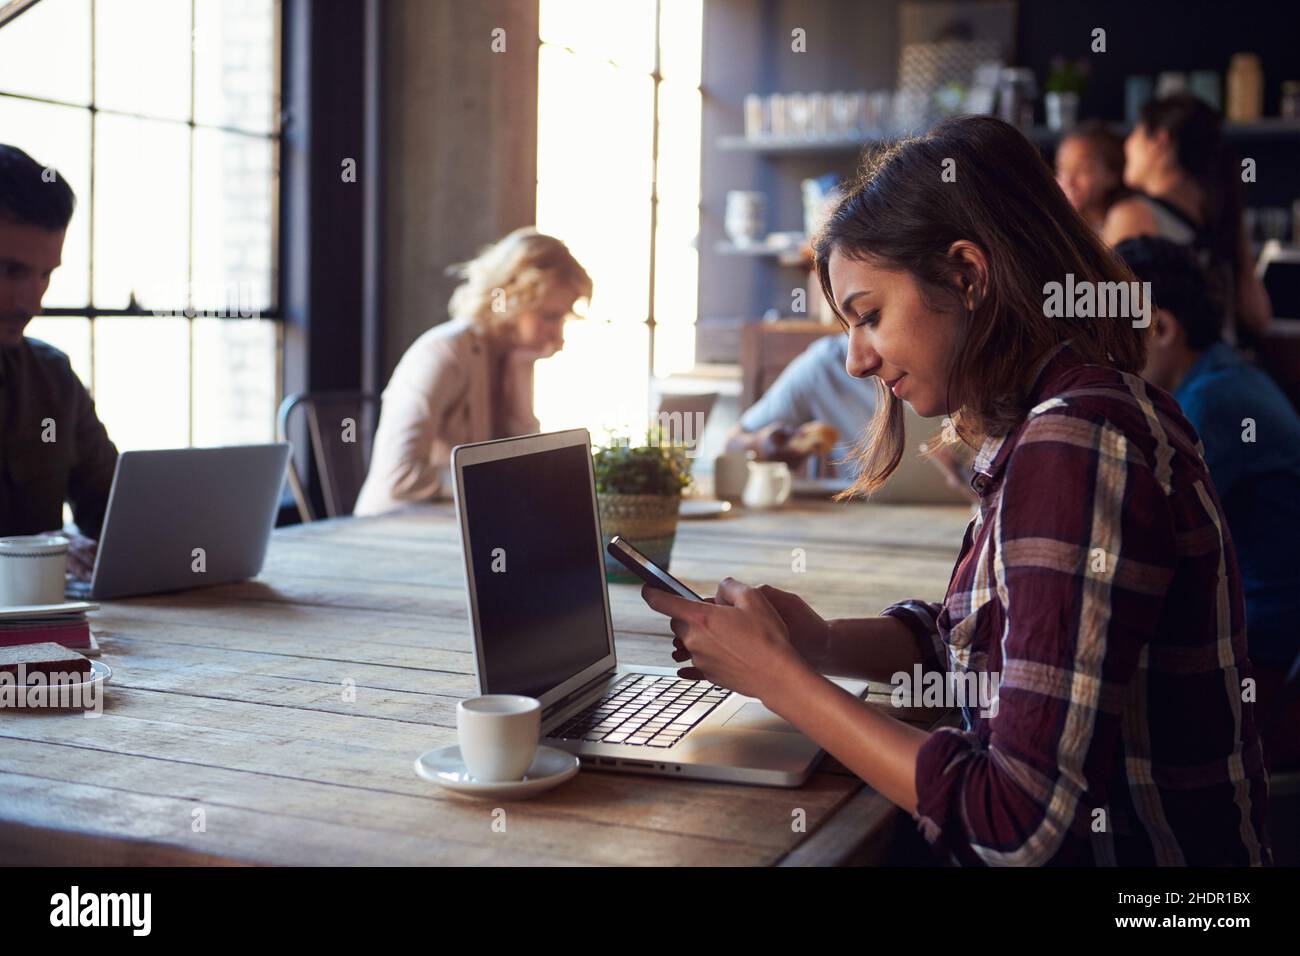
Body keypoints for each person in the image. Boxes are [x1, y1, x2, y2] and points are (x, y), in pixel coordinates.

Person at [639, 115, 1271, 866]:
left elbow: (1019, 824)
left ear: (968, 276)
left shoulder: (1076, 444)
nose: (853, 361)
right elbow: (995, 654)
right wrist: (822, 643)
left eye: (869, 315)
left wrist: (778, 679)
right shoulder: (1055, 422)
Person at [1117, 235, 1300, 769]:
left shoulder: (1210, 403)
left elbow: (1140, 530)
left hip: (1269, 651)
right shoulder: (1221, 373)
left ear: (1161, 328)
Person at [353, 228, 592, 516]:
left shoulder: (512, 354)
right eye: (549, 316)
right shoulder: (444, 353)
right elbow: (398, 477)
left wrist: (519, 370)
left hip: (455, 523)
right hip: (393, 527)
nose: (558, 333)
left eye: (562, 317)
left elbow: (525, 463)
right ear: (513, 297)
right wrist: (488, 479)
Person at [0, 144, 117, 580]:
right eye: (9, 271)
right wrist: (37, 558)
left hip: (50, 638)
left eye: (45, 274)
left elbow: (113, 513)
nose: (33, 303)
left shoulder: (53, 379)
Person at [1103, 94, 1272, 340]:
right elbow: (1257, 316)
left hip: (1168, 375)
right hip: (1220, 367)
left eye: (1136, 133)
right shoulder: (1222, 215)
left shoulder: (1133, 215)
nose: (1127, 145)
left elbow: (1111, 319)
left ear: (1160, 141)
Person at [725, 333, 972, 494]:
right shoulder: (823, 366)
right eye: (847, 318)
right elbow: (732, 445)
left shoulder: (974, 368)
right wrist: (760, 444)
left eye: (872, 316)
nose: (854, 363)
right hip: (871, 528)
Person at [1054, 120, 1130, 232]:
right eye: (1061, 169)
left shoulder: (1125, 220)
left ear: (1112, 175)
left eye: (1082, 169)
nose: (1068, 180)